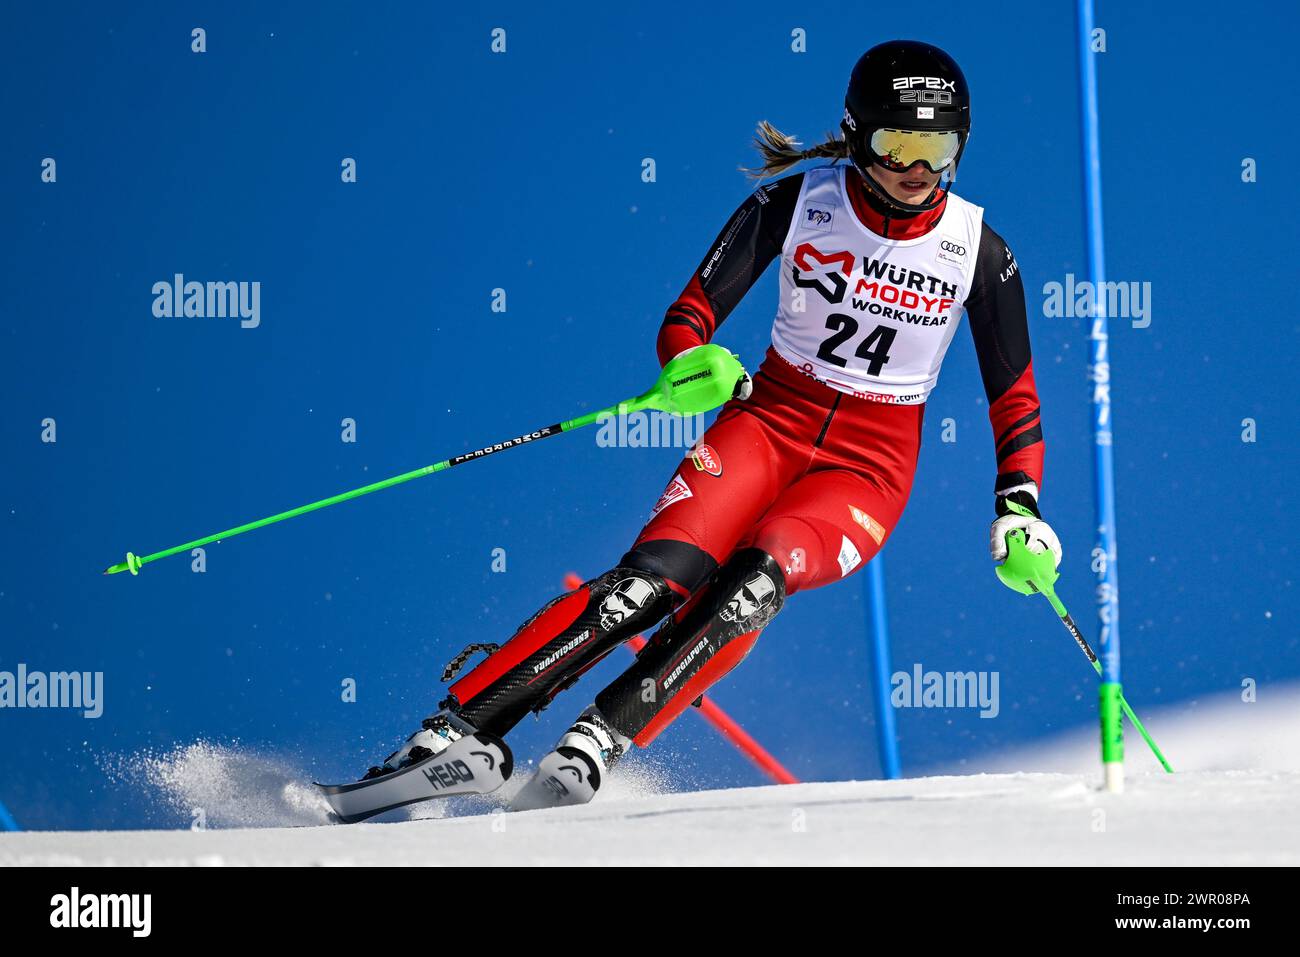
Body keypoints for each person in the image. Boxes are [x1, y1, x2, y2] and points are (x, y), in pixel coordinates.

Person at [366, 39, 1062, 809]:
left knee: (753, 584)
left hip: (869, 469)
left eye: (938, 148)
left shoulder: (979, 252)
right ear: (858, 136)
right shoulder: (798, 203)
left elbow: (1016, 397)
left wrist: (1019, 506)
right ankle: (453, 731)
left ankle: (599, 738)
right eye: (898, 145)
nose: (918, 169)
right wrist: (690, 364)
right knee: (645, 586)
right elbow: (688, 313)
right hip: (766, 422)